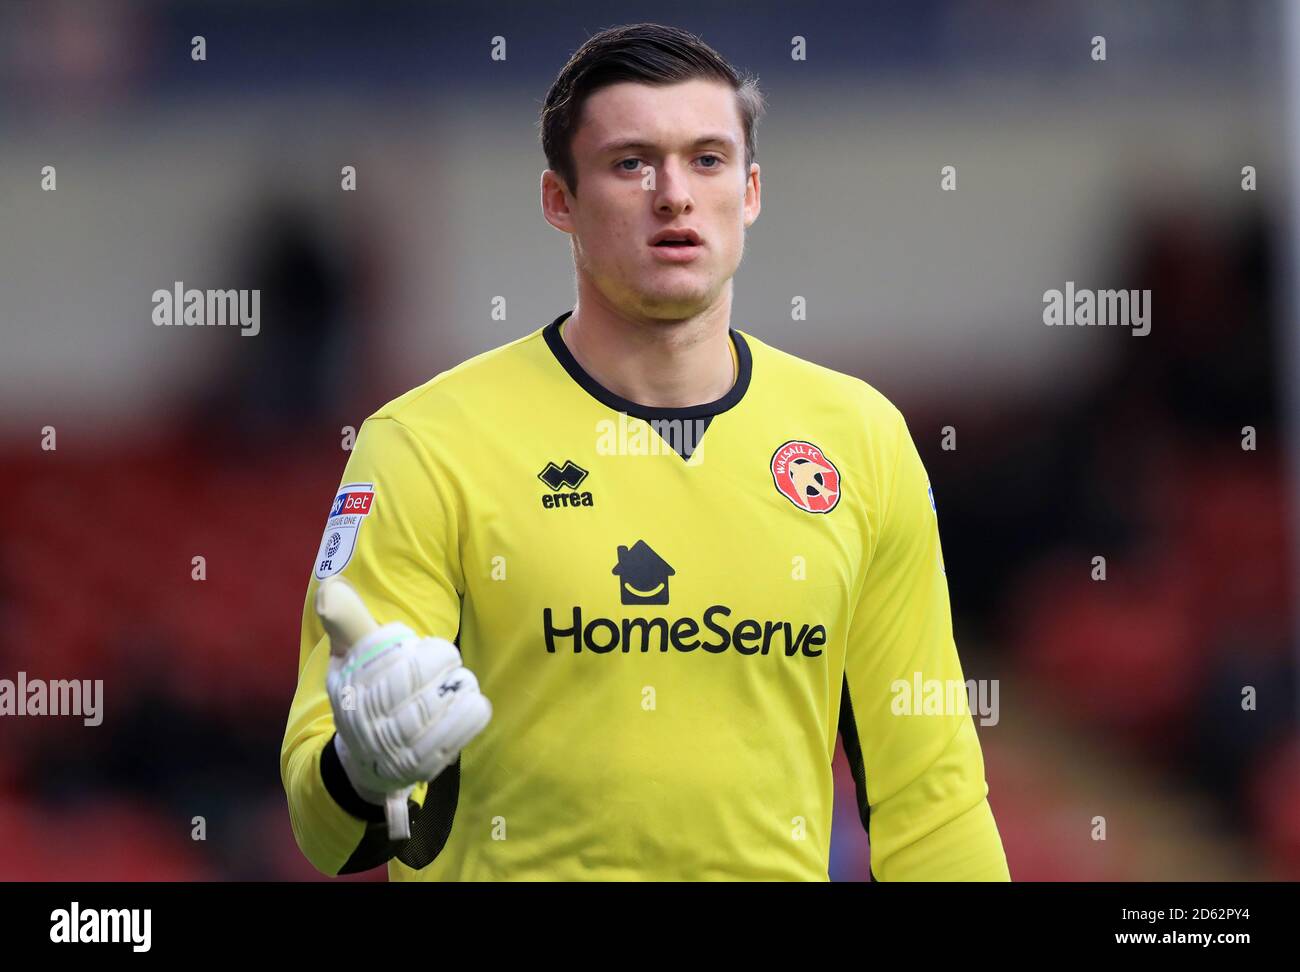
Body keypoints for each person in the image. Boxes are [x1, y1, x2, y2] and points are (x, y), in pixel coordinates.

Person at [281, 22, 1010, 881]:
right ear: (560, 200)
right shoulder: (424, 446)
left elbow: (933, 797)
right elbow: (325, 832)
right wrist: (359, 773)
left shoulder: (861, 441)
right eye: (631, 163)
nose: (675, 195)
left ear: (751, 192)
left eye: (707, 159)